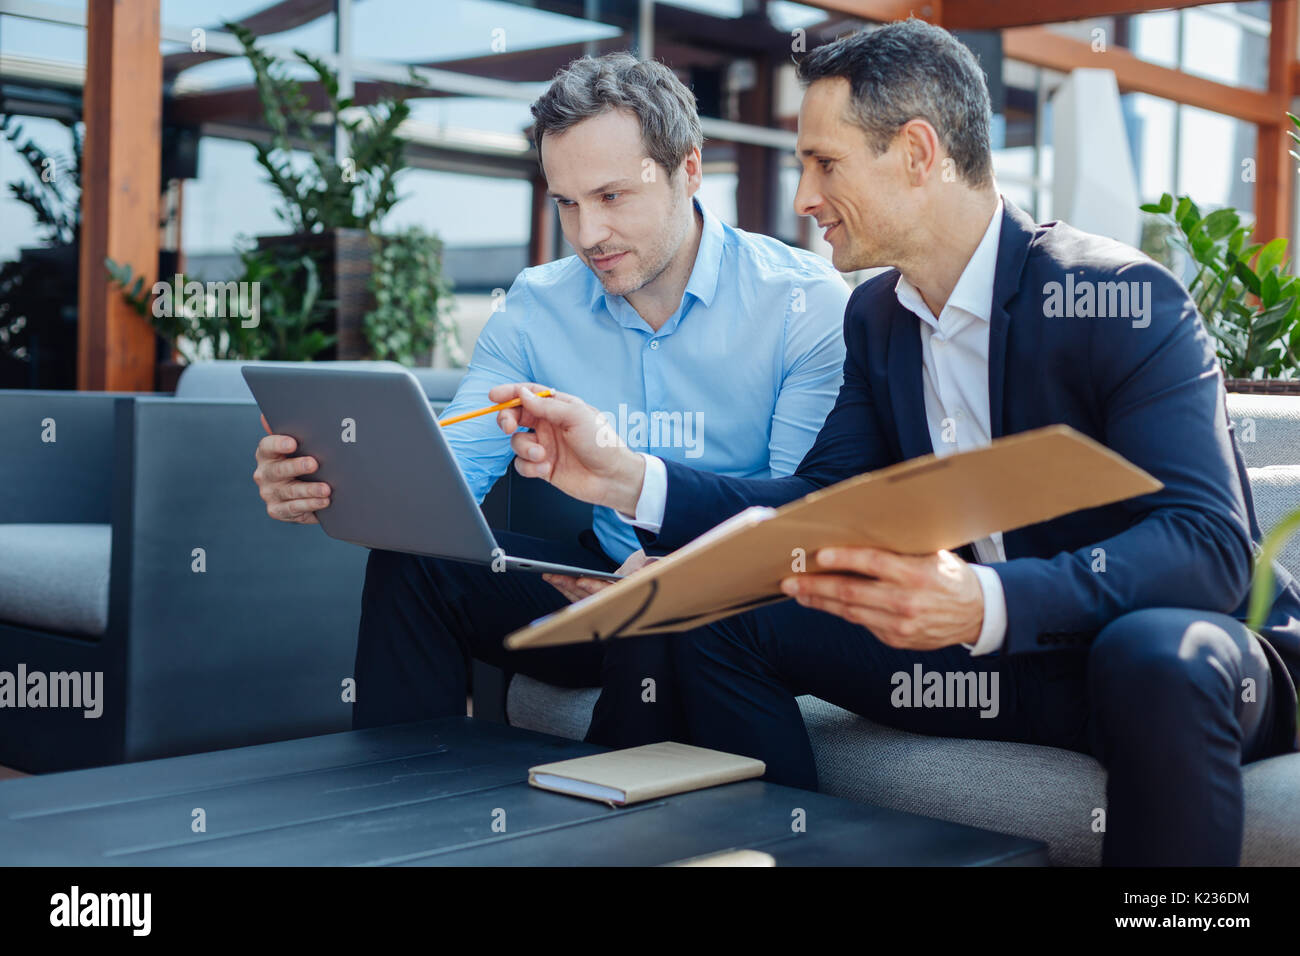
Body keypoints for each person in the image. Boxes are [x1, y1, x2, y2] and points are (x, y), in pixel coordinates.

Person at [486, 20, 1300, 866]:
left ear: (917, 153)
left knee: (1154, 655)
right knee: (723, 617)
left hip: (1173, 659)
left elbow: (1209, 546)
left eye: (824, 164)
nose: (803, 198)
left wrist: (986, 601)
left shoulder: (1119, 298)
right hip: (994, 661)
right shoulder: (879, 319)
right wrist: (625, 478)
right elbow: (817, 505)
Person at [251, 53, 850, 745]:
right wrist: (332, 482)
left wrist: (667, 577)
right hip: (595, 580)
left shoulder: (801, 303)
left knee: (662, 614)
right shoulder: (537, 305)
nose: (588, 234)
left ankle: (605, 804)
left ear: (688, 170)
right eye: (566, 202)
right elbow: (446, 480)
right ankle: (403, 799)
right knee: (414, 564)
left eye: (611, 197)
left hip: (737, 603)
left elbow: (794, 518)